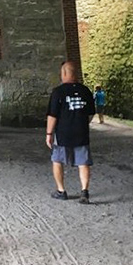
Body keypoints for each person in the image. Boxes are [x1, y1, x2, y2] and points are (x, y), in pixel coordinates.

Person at [46, 61, 96, 204]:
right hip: (81, 133)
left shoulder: (58, 92)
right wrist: (81, 123)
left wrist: (49, 134)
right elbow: (90, 114)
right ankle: (84, 191)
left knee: (57, 160)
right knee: (83, 162)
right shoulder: (85, 91)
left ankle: (61, 190)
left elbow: (52, 115)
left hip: (62, 134)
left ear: (65, 74)